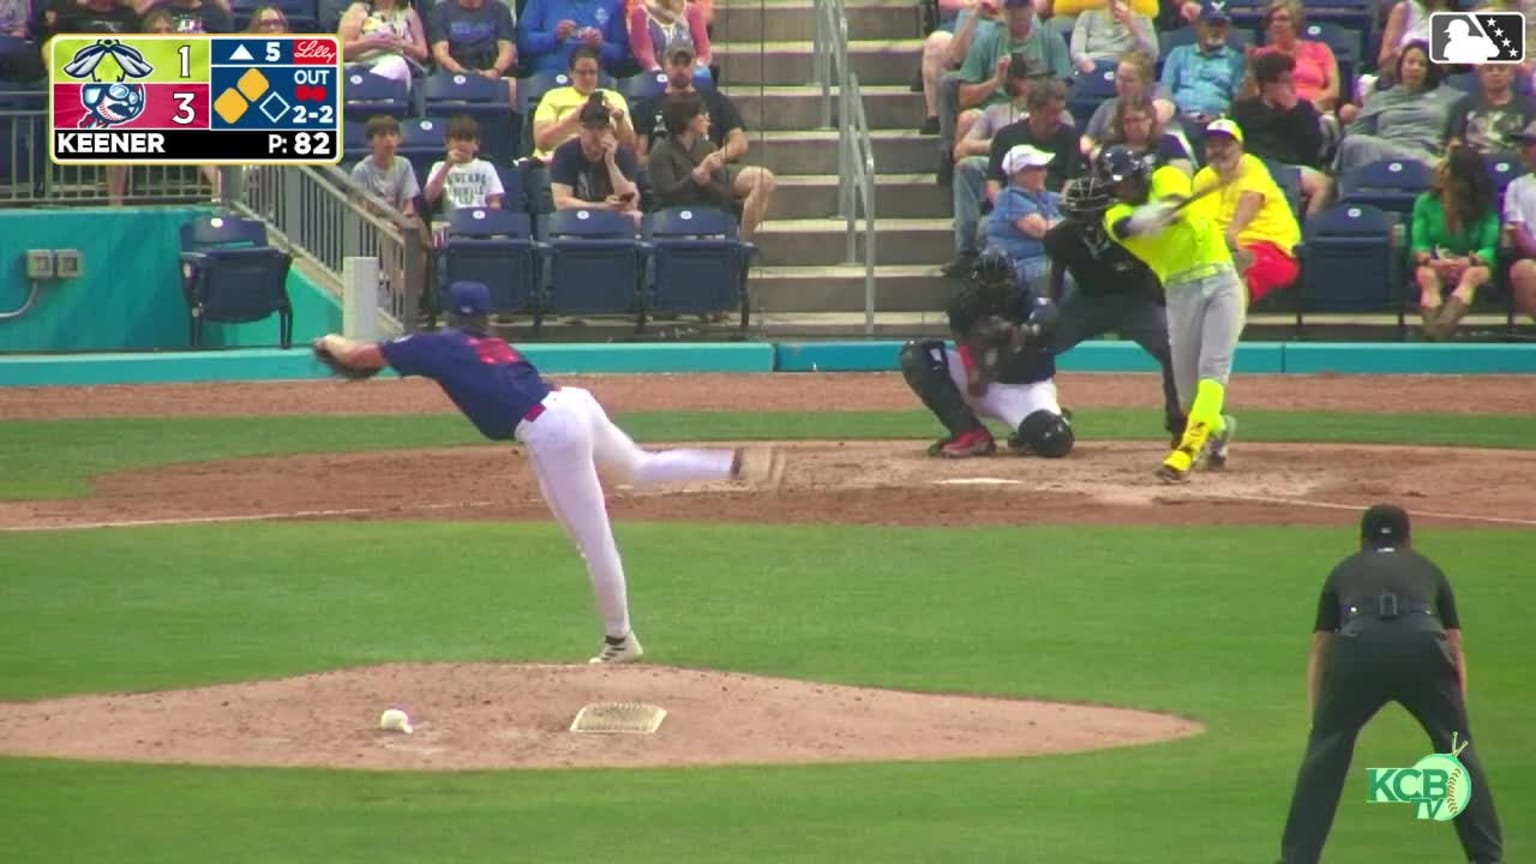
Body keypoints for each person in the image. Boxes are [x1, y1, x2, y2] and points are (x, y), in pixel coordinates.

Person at [311, 281, 786, 665]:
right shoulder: (496, 345)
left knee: (594, 541)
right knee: (639, 466)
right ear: (486, 318)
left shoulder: (434, 344)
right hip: (574, 402)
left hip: (552, 429)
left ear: (450, 314)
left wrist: (325, 339)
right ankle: (733, 464)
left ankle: (621, 641)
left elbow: (355, 357)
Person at [1275, 504, 1504, 864]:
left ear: (1361, 540)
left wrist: (1320, 722)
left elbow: (1322, 646)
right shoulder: (1430, 569)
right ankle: (1487, 859)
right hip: (1423, 644)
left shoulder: (1343, 570)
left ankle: (1296, 861)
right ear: (1409, 540)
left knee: (1325, 754)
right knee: (1458, 752)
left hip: (1359, 649)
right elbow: (1454, 644)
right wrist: (1457, 719)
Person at [1101, 143, 1242, 481]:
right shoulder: (1113, 217)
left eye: (1127, 182)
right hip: (1180, 291)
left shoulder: (1165, 176)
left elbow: (1174, 207)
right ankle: (1219, 429)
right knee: (1187, 400)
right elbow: (1127, 228)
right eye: (1116, 186)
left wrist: (1161, 211)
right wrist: (1145, 218)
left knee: (1213, 370)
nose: (1123, 189)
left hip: (1222, 280)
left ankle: (1187, 452)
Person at [1044, 172, 1184, 445]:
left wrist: (1163, 302)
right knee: (1039, 346)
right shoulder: (1058, 238)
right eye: (1080, 216)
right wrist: (1049, 311)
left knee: (1173, 350)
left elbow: (1157, 267)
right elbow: (1056, 279)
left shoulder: (1129, 230)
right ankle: (1041, 415)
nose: (1088, 223)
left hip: (1135, 301)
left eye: (1094, 215)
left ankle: (1181, 423)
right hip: (1087, 301)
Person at [898, 249, 1074, 459]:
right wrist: (972, 369)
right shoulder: (964, 304)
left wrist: (1018, 332)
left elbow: (1048, 316)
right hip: (982, 383)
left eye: (1000, 284)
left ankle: (1048, 420)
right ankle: (969, 433)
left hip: (1026, 391)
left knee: (1055, 440)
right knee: (916, 355)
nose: (994, 291)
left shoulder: (1031, 301)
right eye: (988, 284)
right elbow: (961, 340)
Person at [635, 41, 775, 240]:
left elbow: (739, 142)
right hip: (670, 167)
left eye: (686, 63)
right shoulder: (647, 106)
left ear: (695, 65)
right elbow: (639, 156)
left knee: (764, 179)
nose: (681, 69)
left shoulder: (714, 100)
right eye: (676, 63)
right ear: (664, 64)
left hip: (711, 160)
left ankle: (739, 246)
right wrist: (674, 166)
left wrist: (711, 162)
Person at [1189, 119, 1302, 306]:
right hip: (1218, 253)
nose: (1218, 151)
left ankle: (1226, 328)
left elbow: (1251, 197)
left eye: (1225, 145)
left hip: (1270, 248)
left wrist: (1232, 233)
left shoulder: (1250, 164)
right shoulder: (1202, 177)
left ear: (1239, 148)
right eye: (1212, 146)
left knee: (1233, 275)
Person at [1410, 146, 1500, 341]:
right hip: (1437, 263)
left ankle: (1440, 331)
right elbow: (1420, 243)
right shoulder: (1425, 202)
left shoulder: (1483, 204)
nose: (1439, 168)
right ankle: (1433, 333)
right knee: (1426, 276)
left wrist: (1469, 261)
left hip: (1473, 264)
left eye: (1447, 165)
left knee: (1472, 275)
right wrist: (1431, 261)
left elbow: (1489, 246)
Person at [1335, 41, 1461, 175]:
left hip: (1427, 153)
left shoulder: (1449, 97)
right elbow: (1354, 133)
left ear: (1430, 70)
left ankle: (1418, 162)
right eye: (1410, 62)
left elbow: (1457, 136)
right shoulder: (1380, 98)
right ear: (1401, 66)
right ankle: (1414, 161)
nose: (1415, 68)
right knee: (1352, 143)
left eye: (1422, 64)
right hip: (1384, 152)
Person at [1230, 51, 1332, 216]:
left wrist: (1293, 111)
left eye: (1292, 80)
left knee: (1325, 186)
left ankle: (1308, 234)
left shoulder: (1302, 109)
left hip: (1290, 166)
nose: (1291, 86)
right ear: (1267, 84)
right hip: (1252, 165)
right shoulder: (1243, 109)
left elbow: (1313, 148)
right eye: (1285, 82)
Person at [549, 93, 642, 224]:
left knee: (636, 217)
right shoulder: (565, 152)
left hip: (613, 218)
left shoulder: (621, 153)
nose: (596, 134)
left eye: (601, 128)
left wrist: (611, 163)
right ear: (580, 128)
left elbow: (631, 203)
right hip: (577, 218)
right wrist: (602, 207)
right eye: (590, 128)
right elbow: (561, 202)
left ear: (609, 129)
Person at [985, 143, 1064, 294]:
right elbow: (1041, 230)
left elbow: (1069, 202)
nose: (1045, 173)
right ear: (1020, 173)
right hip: (1021, 265)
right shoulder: (1009, 197)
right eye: (1039, 169)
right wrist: (1074, 224)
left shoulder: (1043, 196)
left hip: (1046, 260)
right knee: (1064, 278)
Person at [644, 91, 732, 212]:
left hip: (706, 212)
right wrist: (694, 178)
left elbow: (724, 195)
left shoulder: (709, 148)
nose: (706, 118)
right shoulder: (661, 151)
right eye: (701, 113)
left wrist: (706, 183)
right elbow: (666, 195)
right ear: (687, 119)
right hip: (671, 215)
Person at [1159, 0, 1245, 124]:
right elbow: (1165, 90)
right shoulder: (1178, 54)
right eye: (1211, 24)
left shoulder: (1236, 60)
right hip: (1179, 121)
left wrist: (1220, 117)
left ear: (1227, 29)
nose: (1216, 30)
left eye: (1221, 25)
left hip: (1220, 122)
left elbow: (1238, 102)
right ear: (1198, 26)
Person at [422, 115, 505, 239]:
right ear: (447, 143)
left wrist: (493, 227)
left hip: (482, 224)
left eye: (468, 139)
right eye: (457, 139)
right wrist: (447, 165)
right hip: (452, 225)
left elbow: (494, 202)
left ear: (476, 145)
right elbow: (429, 197)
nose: (462, 144)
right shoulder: (439, 166)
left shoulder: (486, 167)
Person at [428, 0, 518, 103]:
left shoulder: (500, 10)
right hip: (455, 75)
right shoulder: (441, 11)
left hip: (492, 72)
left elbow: (507, 48)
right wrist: (463, 73)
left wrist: (495, 71)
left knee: (512, 86)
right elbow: (440, 53)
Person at [517, 0, 630, 76]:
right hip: (549, 78)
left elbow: (621, 53)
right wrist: (554, 37)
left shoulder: (613, 3)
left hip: (595, 81)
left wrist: (600, 45)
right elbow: (522, 42)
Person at [1446, 63, 1536, 155]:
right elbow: (1455, 140)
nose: (1495, 73)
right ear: (1480, 76)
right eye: (1489, 69)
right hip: (1474, 163)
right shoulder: (1464, 104)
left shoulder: (1529, 106)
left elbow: (1531, 144)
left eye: (1501, 69)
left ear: (1512, 76)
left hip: (1515, 163)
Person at [339, 0, 430, 89]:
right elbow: (340, 51)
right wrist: (373, 43)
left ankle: (364, 92)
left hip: (401, 69)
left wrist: (402, 44)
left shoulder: (409, 13)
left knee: (397, 63)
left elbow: (423, 53)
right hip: (364, 67)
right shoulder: (358, 10)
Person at [351, 115, 421, 217]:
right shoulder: (361, 170)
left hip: (399, 222)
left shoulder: (404, 165)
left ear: (399, 139)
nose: (388, 140)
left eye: (392, 135)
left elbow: (408, 206)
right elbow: (361, 211)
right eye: (382, 136)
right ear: (370, 141)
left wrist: (402, 223)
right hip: (371, 225)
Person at [627, 0, 710, 80]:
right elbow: (644, 53)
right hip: (656, 74)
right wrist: (659, 73)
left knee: (703, 75)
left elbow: (704, 52)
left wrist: (692, 69)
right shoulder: (640, 13)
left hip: (690, 72)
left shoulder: (692, 11)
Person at [1068, 0, 1157, 72]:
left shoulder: (1143, 20)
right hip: (1091, 66)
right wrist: (1084, 61)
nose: (1117, 4)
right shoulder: (1088, 16)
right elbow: (1077, 51)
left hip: (1124, 69)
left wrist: (1133, 27)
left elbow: (1152, 56)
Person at [1505, 120, 1536, 324]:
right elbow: (1517, 228)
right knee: (1522, 271)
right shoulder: (1517, 186)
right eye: (1522, 146)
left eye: (1530, 145)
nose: (1523, 151)